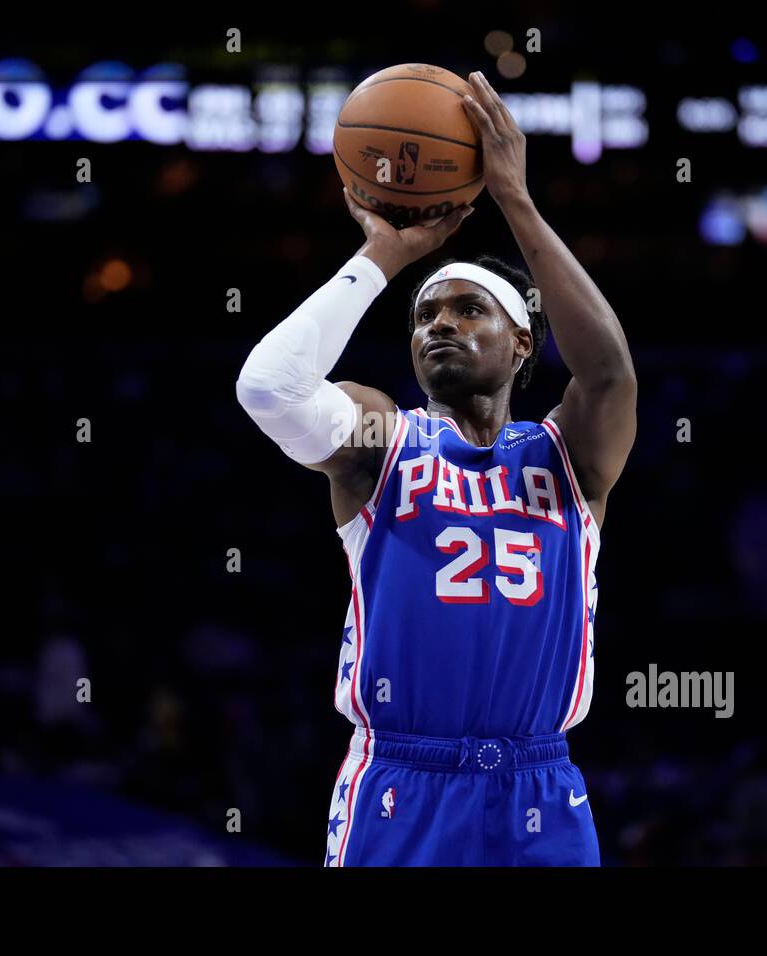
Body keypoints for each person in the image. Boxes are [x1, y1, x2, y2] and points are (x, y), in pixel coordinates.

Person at [236, 71, 637, 865]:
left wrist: (516, 201)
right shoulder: (382, 440)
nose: (439, 325)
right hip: (402, 782)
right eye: (425, 315)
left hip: (540, 786)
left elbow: (609, 373)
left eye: (467, 309)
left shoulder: (569, 456)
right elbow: (268, 387)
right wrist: (382, 255)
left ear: (522, 342)